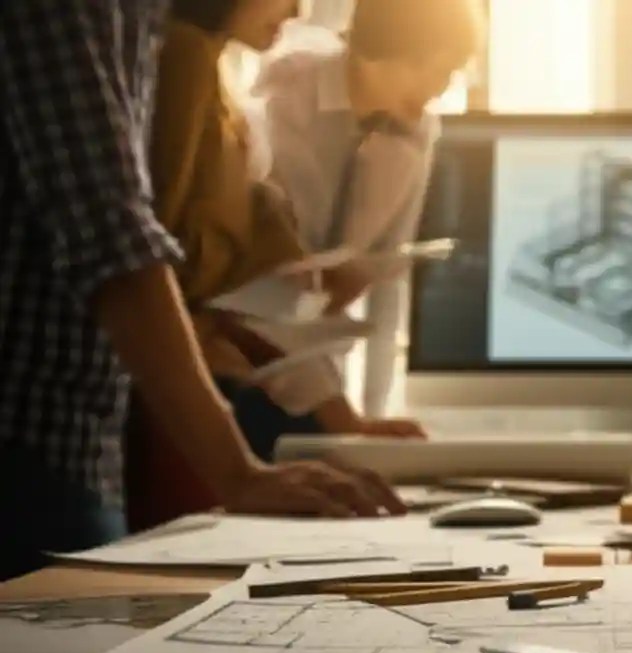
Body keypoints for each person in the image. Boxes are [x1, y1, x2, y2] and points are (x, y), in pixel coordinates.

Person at [0, 0, 407, 581]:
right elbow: (113, 233)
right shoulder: (154, 43)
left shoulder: (169, 43)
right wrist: (238, 471)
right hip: (31, 436)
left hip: (84, 435)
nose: (298, 9)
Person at [148, 0, 426, 459]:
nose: (298, 11)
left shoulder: (224, 92)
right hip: (176, 404)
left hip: (210, 385)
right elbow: (155, 262)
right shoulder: (185, 63)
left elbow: (274, 289)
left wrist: (346, 422)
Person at [252, 0, 485, 418]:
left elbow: (390, 280)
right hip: (257, 349)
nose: (440, 88)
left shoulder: (418, 132)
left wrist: (376, 416)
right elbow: (271, 259)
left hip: (325, 363)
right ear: (383, 51)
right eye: (435, 68)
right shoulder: (286, 101)